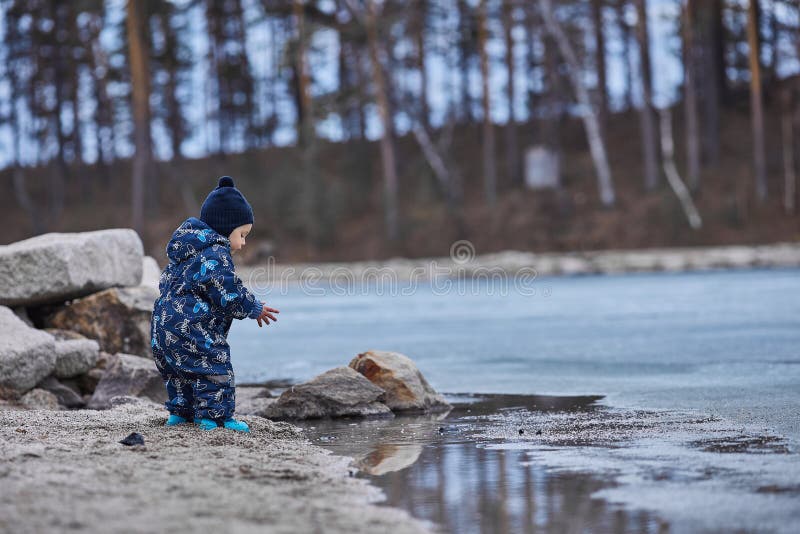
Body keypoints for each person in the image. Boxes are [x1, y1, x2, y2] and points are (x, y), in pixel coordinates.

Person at [150, 176, 279, 433]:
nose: (242, 243)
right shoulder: (215, 253)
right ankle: (214, 418)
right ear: (225, 227)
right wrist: (253, 307)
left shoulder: (184, 251)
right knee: (215, 368)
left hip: (161, 329)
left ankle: (181, 413)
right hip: (191, 328)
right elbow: (227, 290)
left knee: (179, 372)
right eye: (241, 234)